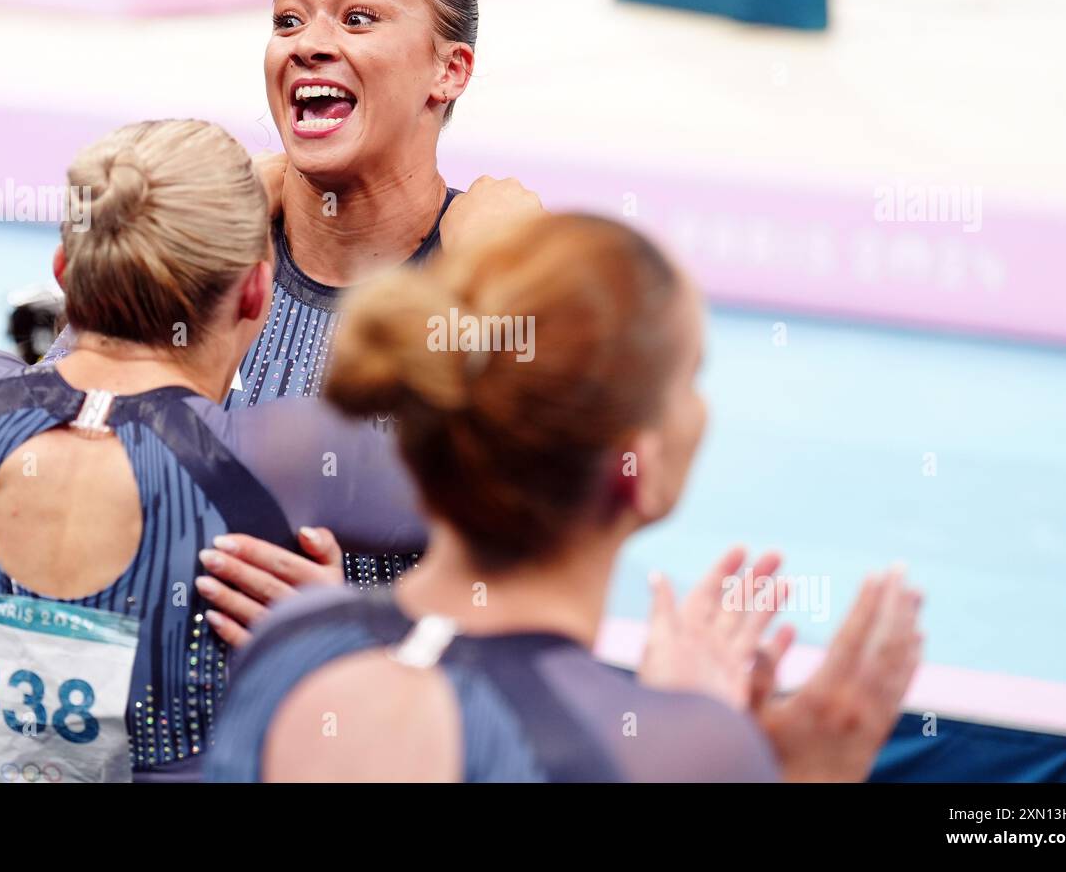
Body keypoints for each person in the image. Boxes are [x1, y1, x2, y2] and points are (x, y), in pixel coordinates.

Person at [0, 0, 543, 639]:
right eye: (287, 19)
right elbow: (71, 454)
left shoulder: (493, 282)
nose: (309, 43)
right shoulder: (200, 251)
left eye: (359, 17)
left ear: (449, 69)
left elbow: (537, 603)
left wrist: (360, 630)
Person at [207, 213, 923, 782]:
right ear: (636, 469)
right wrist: (802, 771)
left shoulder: (291, 638)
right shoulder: (678, 753)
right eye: (691, 378)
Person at [0, 120, 424, 782]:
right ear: (255, 290)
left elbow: (67, 381)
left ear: (65, 272)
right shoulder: (287, 455)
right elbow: (530, 496)